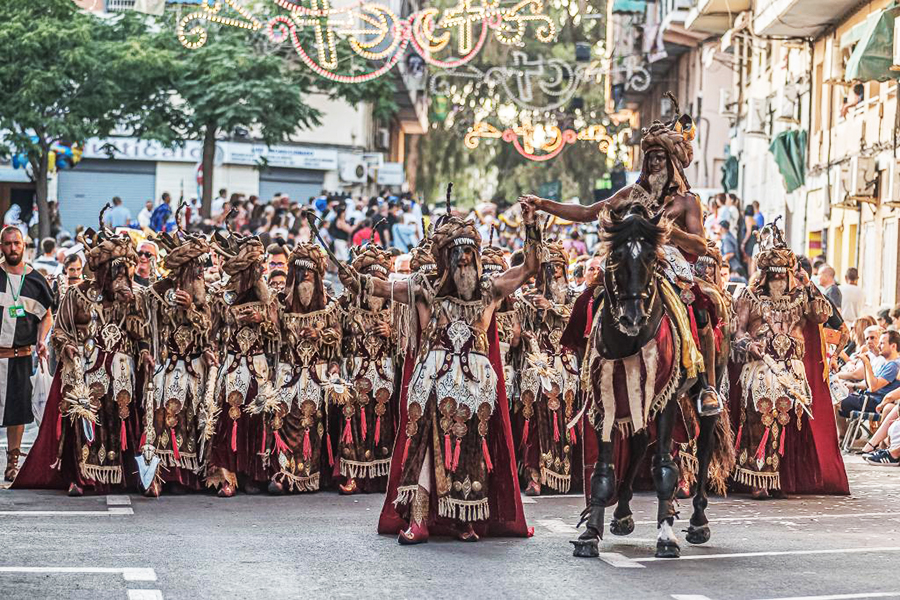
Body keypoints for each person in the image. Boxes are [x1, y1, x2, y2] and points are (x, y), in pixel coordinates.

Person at [367, 203, 540, 544]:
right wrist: (354, 279)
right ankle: (419, 520)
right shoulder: (424, 289)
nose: (464, 264)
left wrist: (532, 226)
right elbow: (382, 288)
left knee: (472, 445)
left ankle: (464, 519)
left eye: (469, 258)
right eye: (458, 258)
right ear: (445, 260)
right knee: (424, 443)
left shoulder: (491, 290)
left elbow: (529, 268)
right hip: (432, 379)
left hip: (476, 385)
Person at [14, 218, 150, 495]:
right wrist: (67, 346)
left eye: (124, 271)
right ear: (102, 271)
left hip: (121, 373)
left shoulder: (133, 297)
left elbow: (142, 335)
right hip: (85, 371)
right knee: (82, 421)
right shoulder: (78, 295)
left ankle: (123, 476)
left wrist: (144, 348)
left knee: (120, 420)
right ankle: (81, 476)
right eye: (115, 271)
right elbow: (60, 330)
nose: (120, 277)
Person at [731, 220, 848, 498]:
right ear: (764, 276)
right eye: (774, 276)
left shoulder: (802, 297)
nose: (779, 282)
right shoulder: (748, 296)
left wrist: (809, 285)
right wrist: (750, 345)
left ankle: (781, 479)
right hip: (761, 367)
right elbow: (737, 332)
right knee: (760, 417)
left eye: (784, 276)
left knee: (788, 423)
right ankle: (758, 479)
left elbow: (822, 315)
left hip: (793, 369)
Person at [140, 228, 215, 496]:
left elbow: (209, 329)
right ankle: (157, 475)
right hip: (166, 366)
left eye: (202, 269)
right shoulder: (157, 292)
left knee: (191, 420)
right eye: (196, 268)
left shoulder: (205, 295)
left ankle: (187, 477)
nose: (200, 273)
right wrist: (145, 351)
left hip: (194, 368)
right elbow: (145, 328)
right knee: (160, 419)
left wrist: (191, 309)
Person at [263, 243, 341, 495]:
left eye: (310, 273)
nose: (305, 277)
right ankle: (283, 474)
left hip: (317, 376)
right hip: (287, 375)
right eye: (300, 272)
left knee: (314, 426)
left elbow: (338, 339)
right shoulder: (279, 305)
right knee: (281, 420)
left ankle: (312, 476)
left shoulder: (329, 307)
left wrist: (320, 335)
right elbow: (270, 335)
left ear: (318, 277)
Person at [205, 231, 279, 497]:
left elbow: (278, 333)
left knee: (258, 418)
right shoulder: (221, 294)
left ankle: (254, 475)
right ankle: (227, 476)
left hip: (258, 366)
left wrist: (263, 320)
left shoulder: (268, 297)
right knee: (228, 418)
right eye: (252, 266)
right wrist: (210, 351)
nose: (257, 271)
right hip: (232, 364)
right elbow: (210, 332)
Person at [518, 241, 582, 495]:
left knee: (567, 417)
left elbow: (578, 320)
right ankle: (535, 475)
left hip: (567, 366)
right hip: (539, 364)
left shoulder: (574, 297)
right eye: (550, 266)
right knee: (536, 420)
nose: (555, 272)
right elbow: (521, 330)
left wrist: (552, 307)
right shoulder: (528, 299)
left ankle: (567, 475)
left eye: (559, 266)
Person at [335, 245, 396, 495]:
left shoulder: (396, 308)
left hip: (385, 375)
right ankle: (352, 475)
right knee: (352, 423)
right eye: (372, 280)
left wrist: (392, 333)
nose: (376, 286)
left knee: (384, 424)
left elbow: (410, 339)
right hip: (354, 373)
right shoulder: (346, 304)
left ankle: (382, 477)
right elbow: (334, 336)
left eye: (381, 281)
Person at [0, 227, 54, 482]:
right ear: (1, 246)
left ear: (24, 246)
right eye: (8, 243)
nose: (13, 248)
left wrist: (41, 339)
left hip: (19, 357)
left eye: (17, 243)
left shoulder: (35, 281)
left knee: (17, 411)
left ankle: (12, 463)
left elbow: (46, 315)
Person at [837, 331, 900, 427]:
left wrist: (867, 363)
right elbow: (869, 385)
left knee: (836, 400)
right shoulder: (889, 363)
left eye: (882, 343)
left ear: (893, 346)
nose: (878, 346)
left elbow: (873, 387)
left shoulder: (894, 365)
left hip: (875, 403)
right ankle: (845, 433)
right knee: (837, 396)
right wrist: (866, 363)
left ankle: (842, 434)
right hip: (869, 400)